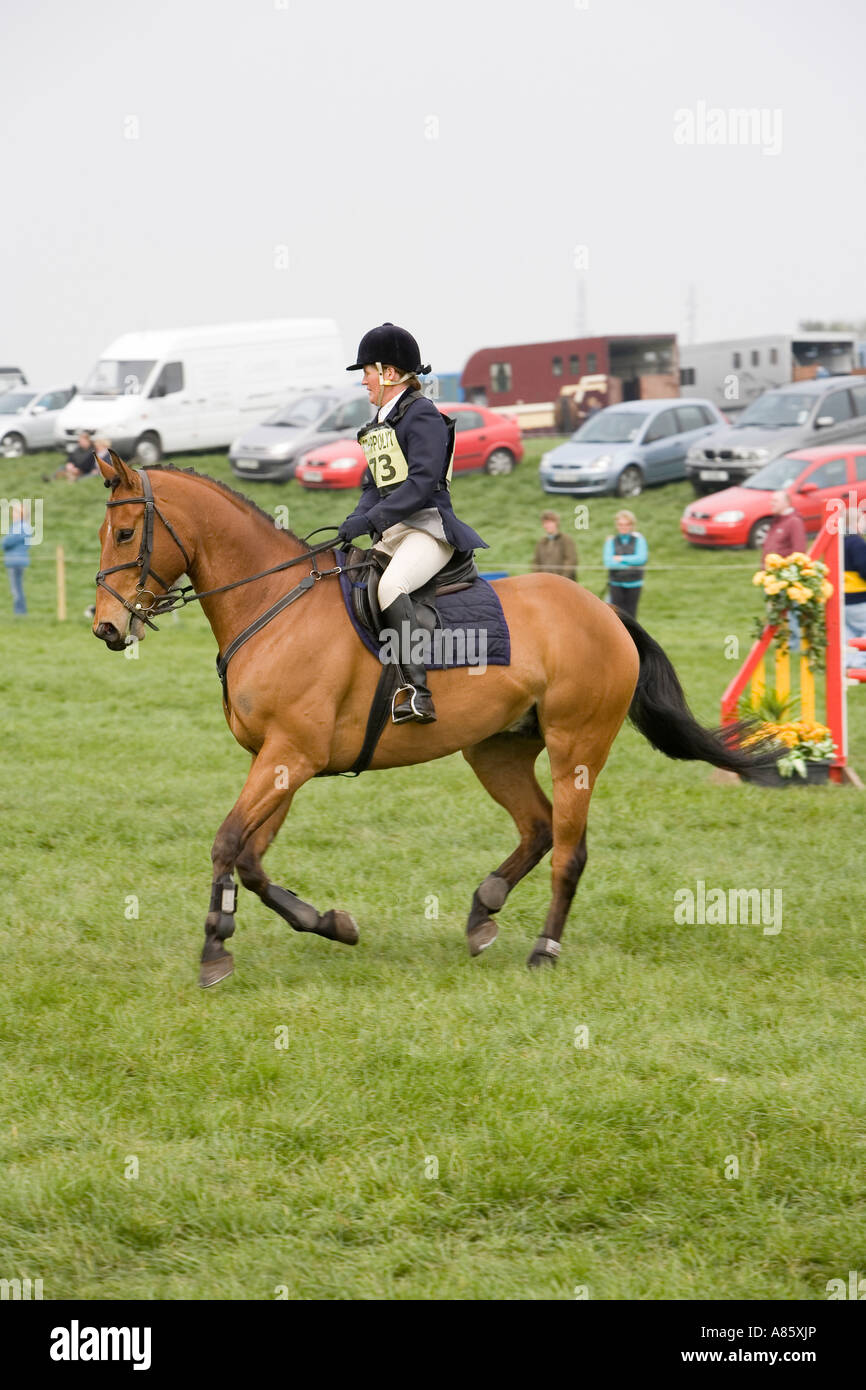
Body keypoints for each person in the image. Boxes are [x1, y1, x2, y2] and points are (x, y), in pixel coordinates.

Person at [337, 323, 488, 724]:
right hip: (395, 530)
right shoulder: (381, 425)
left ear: (389, 374)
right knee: (346, 572)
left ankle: (415, 691)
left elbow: (422, 484)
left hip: (429, 528)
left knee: (391, 585)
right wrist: (354, 522)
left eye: (367, 371)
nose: (364, 381)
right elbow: (374, 486)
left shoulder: (422, 416)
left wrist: (373, 519)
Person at [761, 489, 808, 652]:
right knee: (776, 614)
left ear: (786, 502)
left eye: (775, 501)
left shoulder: (793, 521)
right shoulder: (777, 521)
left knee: (791, 615)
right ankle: (781, 645)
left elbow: (799, 551)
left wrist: (788, 575)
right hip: (772, 578)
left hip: (785, 579)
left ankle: (793, 648)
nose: (771, 504)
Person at [603, 510, 647, 616]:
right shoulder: (610, 541)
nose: (623, 527)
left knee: (631, 615)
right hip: (616, 583)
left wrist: (620, 558)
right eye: (620, 524)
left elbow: (641, 559)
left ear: (632, 525)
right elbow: (609, 563)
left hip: (635, 582)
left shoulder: (639, 540)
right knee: (617, 615)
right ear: (617, 525)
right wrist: (631, 565)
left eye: (627, 524)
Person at [843, 511, 866, 671]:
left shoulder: (839, 542)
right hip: (859, 597)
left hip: (842, 598)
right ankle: (860, 662)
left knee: (848, 633)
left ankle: (848, 662)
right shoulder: (856, 542)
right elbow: (864, 568)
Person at [3, 501, 32, 615]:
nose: (12, 514)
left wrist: (4, 542)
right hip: (15, 560)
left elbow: (7, 542)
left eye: (15, 512)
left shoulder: (20, 526)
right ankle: (19, 612)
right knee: (16, 588)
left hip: (16, 560)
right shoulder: (19, 526)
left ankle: (20, 613)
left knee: (16, 589)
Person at [532, 510, 578, 581]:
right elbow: (536, 562)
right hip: (545, 582)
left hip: (565, 583)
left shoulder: (566, 540)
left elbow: (571, 561)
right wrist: (539, 578)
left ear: (556, 523)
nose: (547, 525)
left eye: (550, 522)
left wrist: (562, 579)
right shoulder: (541, 542)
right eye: (545, 523)